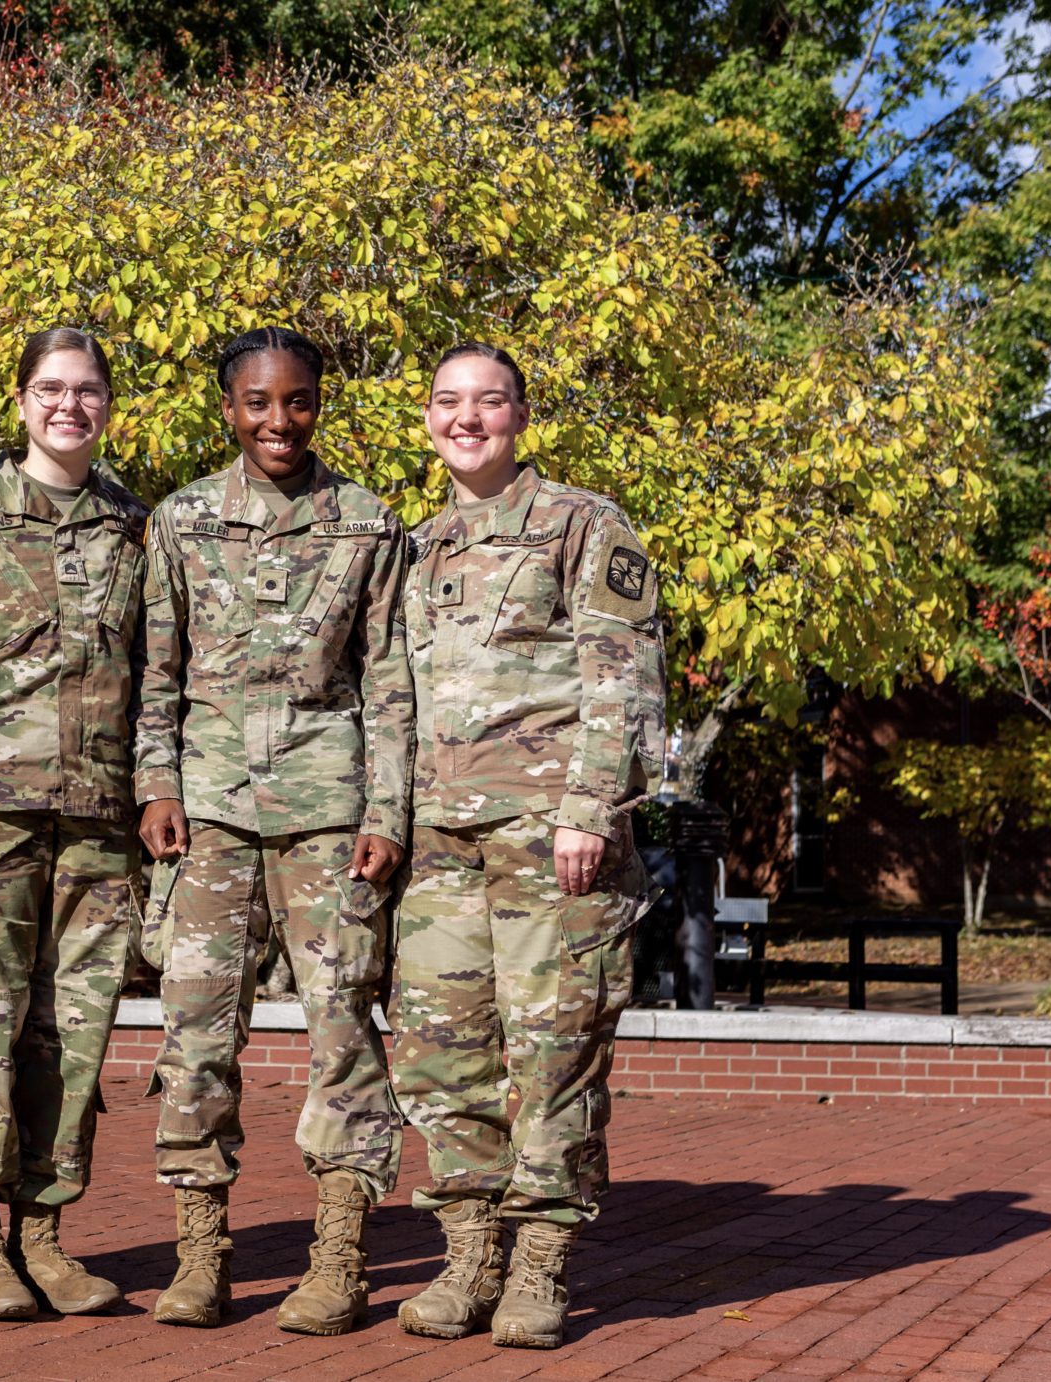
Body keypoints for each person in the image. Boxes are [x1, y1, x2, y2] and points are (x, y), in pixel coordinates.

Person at [134, 325, 414, 1335]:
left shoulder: (367, 524)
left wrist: (387, 809)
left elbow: (389, 682)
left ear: (318, 405)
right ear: (229, 410)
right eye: (257, 402)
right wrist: (153, 785)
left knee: (343, 1028)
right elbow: (155, 672)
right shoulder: (180, 520)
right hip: (208, 813)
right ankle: (199, 1254)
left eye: (296, 400)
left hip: (328, 814)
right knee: (195, 1034)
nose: (278, 420)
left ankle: (338, 1256)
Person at [387, 343, 664, 1349]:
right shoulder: (415, 547)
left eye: (489, 401)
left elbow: (623, 675)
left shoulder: (582, 523)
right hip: (436, 843)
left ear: (520, 415)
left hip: (550, 840)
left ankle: (540, 1261)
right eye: (447, 401)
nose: (467, 418)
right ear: (428, 417)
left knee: (553, 1054)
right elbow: (390, 697)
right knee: (441, 1054)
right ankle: (468, 1255)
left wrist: (590, 806)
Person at [0, 327, 151, 1320]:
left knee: (75, 1033)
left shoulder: (134, 526)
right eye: (50, 388)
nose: (68, 405)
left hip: (96, 818)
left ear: (107, 405)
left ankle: (43, 1233)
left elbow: (152, 673)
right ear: (19, 401)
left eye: (87, 390)